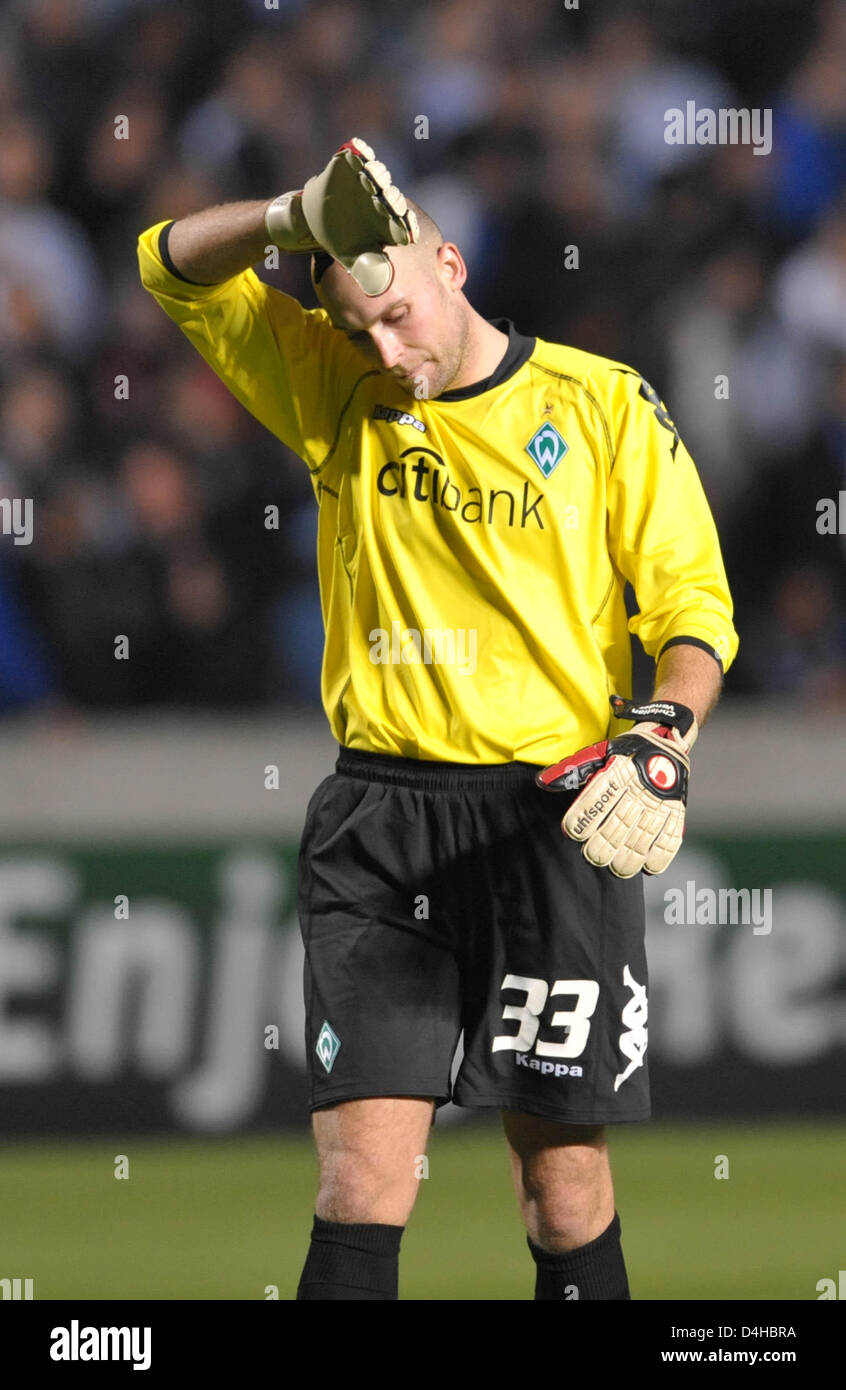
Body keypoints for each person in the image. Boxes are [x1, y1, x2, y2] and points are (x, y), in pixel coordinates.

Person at [138, 139, 738, 1300]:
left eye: (401, 315)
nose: (385, 349)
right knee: (363, 1185)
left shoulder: (602, 403)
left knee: (561, 1187)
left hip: (550, 814)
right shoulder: (333, 387)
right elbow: (169, 268)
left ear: (453, 264)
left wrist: (663, 732)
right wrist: (287, 215)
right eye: (358, 328)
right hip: (379, 816)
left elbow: (694, 609)